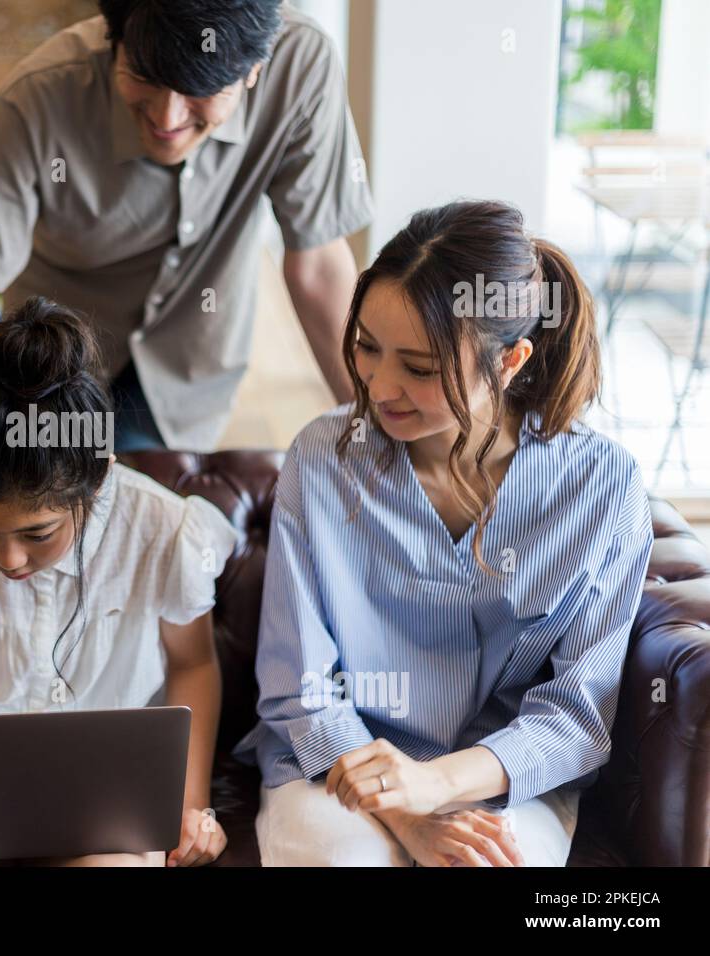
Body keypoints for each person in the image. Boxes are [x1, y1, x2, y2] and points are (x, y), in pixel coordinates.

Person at [233, 200, 654, 866]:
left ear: (511, 360)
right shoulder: (324, 456)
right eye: (368, 348)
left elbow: (576, 715)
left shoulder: (602, 487)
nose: (379, 386)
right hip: (332, 769)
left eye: (421, 368)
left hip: (495, 779)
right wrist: (405, 813)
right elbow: (298, 689)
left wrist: (438, 785)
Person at [0, 0, 371, 459]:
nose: (167, 117)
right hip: (53, 361)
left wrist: (372, 432)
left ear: (254, 69)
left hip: (189, 367)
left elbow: (318, 262)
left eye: (198, 91)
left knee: (138, 509)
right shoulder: (36, 99)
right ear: (115, 37)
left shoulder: (303, 65)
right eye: (143, 77)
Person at [0, 297, 244, 865]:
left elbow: (193, 664)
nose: (8, 557)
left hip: (113, 798)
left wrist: (188, 808)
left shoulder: (162, 531)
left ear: (98, 481)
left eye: (38, 533)